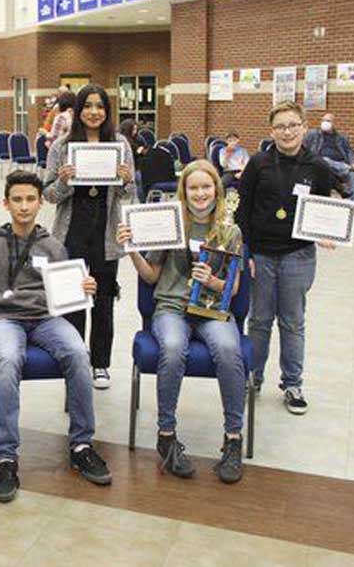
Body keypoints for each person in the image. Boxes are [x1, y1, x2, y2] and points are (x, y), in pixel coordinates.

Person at [0, 171, 111, 502]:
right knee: (9, 359)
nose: (24, 206)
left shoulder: (54, 246)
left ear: (41, 203)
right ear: (6, 203)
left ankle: (82, 444)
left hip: (45, 318)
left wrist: (85, 289)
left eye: (30, 199)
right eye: (17, 200)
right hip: (3, 318)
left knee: (78, 353)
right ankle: (7, 458)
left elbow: (66, 292)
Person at [116, 160, 247, 484]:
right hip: (172, 307)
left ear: (216, 190)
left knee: (230, 349)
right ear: (183, 191)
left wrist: (215, 282)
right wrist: (131, 249)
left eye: (206, 187)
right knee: (173, 348)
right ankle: (167, 435)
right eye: (193, 188)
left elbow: (236, 288)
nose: (200, 194)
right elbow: (151, 276)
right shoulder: (169, 224)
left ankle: (233, 439)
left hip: (211, 308)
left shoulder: (231, 231)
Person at [236, 101, 334, 415]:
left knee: (292, 323)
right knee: (260, 321)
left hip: (298, 255)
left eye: (293, 125)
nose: (287, 131)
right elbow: (243, 213)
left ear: (305, 127)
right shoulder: (258, 163)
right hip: (261, 256)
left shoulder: (318, 168)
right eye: (280, 126)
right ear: (271, 131)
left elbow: (323, 211)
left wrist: (327, 232)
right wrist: (245, 253)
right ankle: (253, 376)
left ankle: (292, 384)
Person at [43, 84, 136, 389]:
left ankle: (100, 364)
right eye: (87, 106)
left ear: (107, 111)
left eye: (99, 106)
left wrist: (125, 181)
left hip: (105, 233)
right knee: (72, 301)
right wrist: (65, 181)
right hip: (72, 233)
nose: (94, 112)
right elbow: (50, 195)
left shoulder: (120, 143)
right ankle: (74, 359)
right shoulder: (61, 146)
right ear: (78, 110)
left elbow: (129, 192)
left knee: (103, 301)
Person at [303, 112, 354, 202]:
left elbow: (349, 151)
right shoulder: (313, 134)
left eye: (328, 121)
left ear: (333, 123)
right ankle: (349, 168)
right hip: (320, 165)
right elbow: (304, 147)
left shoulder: (341, 137)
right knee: (324, 160)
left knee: (351, 175)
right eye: (323, 120)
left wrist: (353, 163)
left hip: (339, 164)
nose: (324, 122)